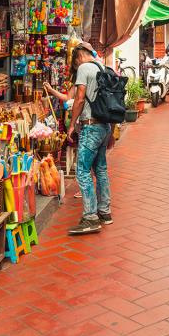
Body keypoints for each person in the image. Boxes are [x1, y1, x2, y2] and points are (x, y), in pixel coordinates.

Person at [65, 41, 113, 235]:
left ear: (79, 56)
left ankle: (90, 217)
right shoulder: (103, 66)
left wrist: (71, 124)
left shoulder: (84, 67)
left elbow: (79, 98)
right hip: (104, 126)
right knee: (100, 169)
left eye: (74, 64)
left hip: (90, 125)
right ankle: (105, 211)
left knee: (83, 171)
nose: (76, 68)